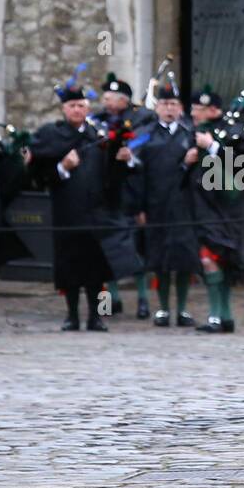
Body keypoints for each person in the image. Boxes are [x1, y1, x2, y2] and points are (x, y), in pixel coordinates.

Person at [28, 78, 138, 331]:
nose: (77, 110)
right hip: (68, 211)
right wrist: (62, 168)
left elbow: (114, 174)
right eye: (72, 106)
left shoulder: (99, 136)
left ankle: (96, 316)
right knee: (70, 267)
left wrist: (124, 160)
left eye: (81, 105)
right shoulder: (51, 135)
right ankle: (72, 316)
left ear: (88, 108)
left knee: (96, 270)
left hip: (96, 212)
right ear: (64, 109)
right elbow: (38, 175)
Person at [185, 85, 244, 334]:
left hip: (229, 207)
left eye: (198, 109)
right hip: (203, 207)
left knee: (225, 259)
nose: (194, 113)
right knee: (207, 258)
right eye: (193, 108)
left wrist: (214, 148)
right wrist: (187, 159)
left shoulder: (234, 134)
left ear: (213, 110)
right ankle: (216, 316)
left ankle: (225, 316)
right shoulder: (191, 132)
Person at [124, 76, 199, 327]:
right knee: (161, 260)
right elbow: (136, 175)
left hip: (184, 206)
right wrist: (139, 208)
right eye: (165, 103)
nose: (169, 109)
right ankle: (164, 308)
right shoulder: (145, 137)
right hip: (156, 206)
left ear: (180, 108)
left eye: (173, 104)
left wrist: (191, 162)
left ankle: (183, 308)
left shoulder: (192, 135)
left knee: (185, 260)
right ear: (157, 107)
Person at [91, 71, 153, 318]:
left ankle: (143, 300)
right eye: (105, 97)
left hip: (132, 195)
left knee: (136, 251)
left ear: (125, 100)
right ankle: (111, 300)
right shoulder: (98, 121)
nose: (107, 101)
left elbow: (145, 158)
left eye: (112, 97)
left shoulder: (140, 121)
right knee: (106, 250)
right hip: (105, 196)